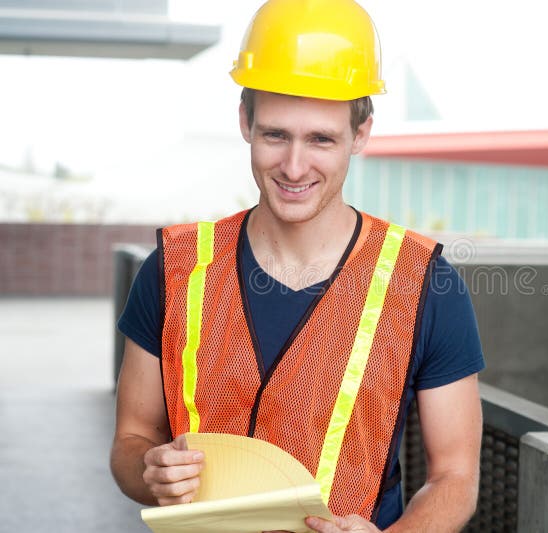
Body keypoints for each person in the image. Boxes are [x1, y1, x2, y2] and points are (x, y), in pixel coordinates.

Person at [109, 0, 484, 531]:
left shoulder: (425, 283)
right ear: (245, 121)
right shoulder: (172, 271)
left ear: (361, 135)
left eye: (321, 139)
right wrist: (150, 470)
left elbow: (456, 477)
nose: (293, 166)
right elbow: (130, 439)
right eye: (275, 134)